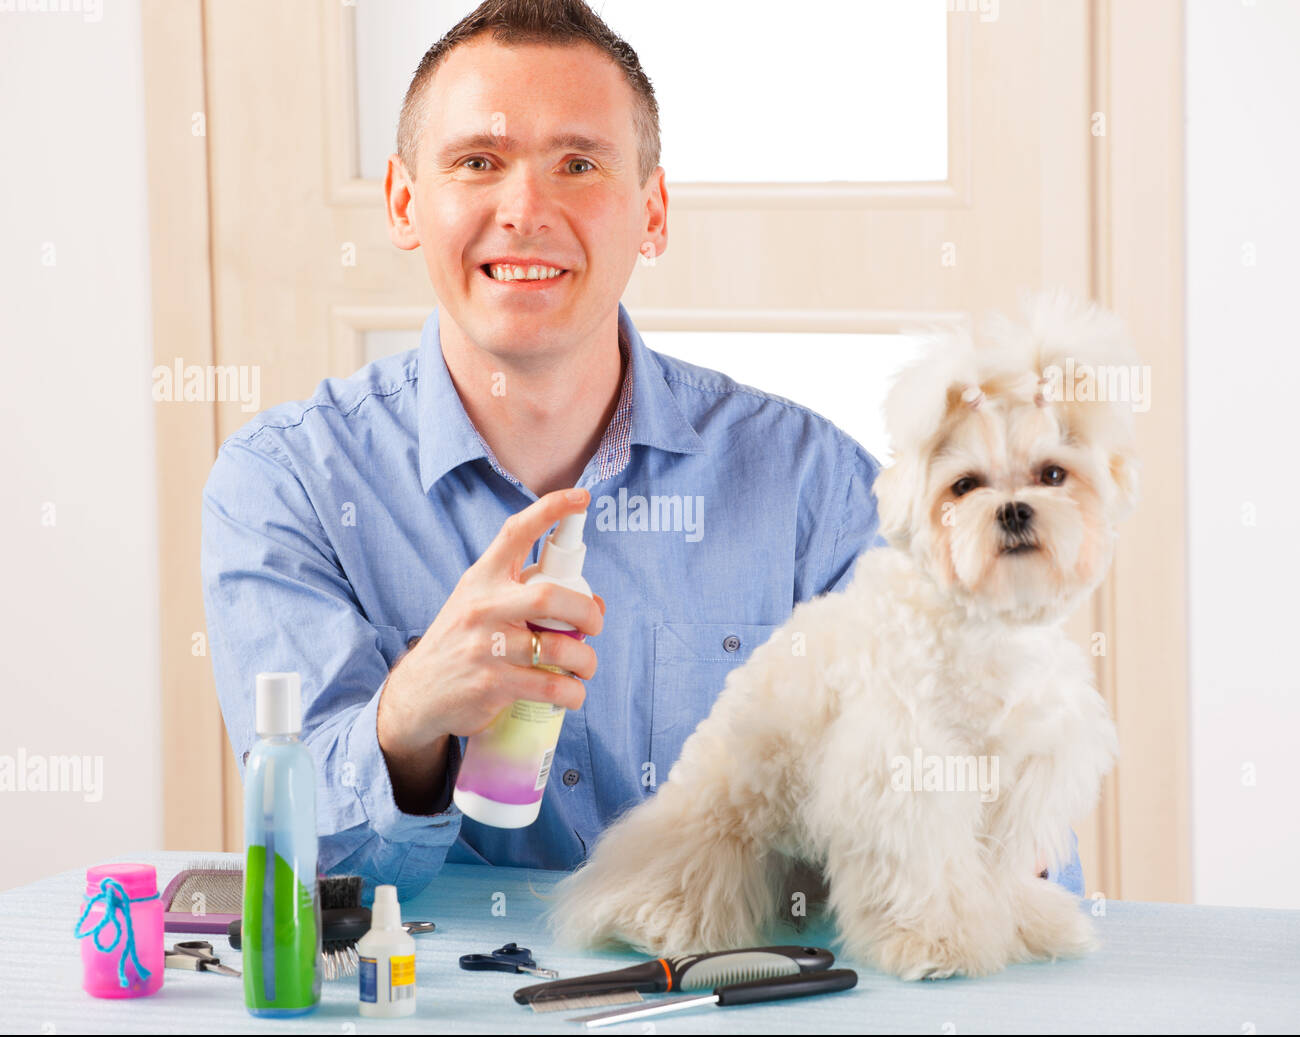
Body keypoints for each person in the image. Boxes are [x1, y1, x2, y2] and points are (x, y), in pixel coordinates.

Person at [200, 0, 1083, 899]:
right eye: (478, 162)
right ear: (403, 202)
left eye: (578, 164)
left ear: (652, 212)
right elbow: (306, 875)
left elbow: (1012, 837)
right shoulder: (286, 485)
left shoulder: (813, 487)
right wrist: (410, 715)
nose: (525, 211)